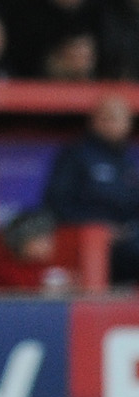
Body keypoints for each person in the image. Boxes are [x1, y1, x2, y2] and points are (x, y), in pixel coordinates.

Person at [44, 95, 139, 284]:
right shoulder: (76, 156)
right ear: (94, 121)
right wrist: (99, 228)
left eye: (118, 118)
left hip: (127, 237)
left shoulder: (128, 163)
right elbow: (57, 203)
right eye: (106, 117)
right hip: (88, 238)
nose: (111, 124)